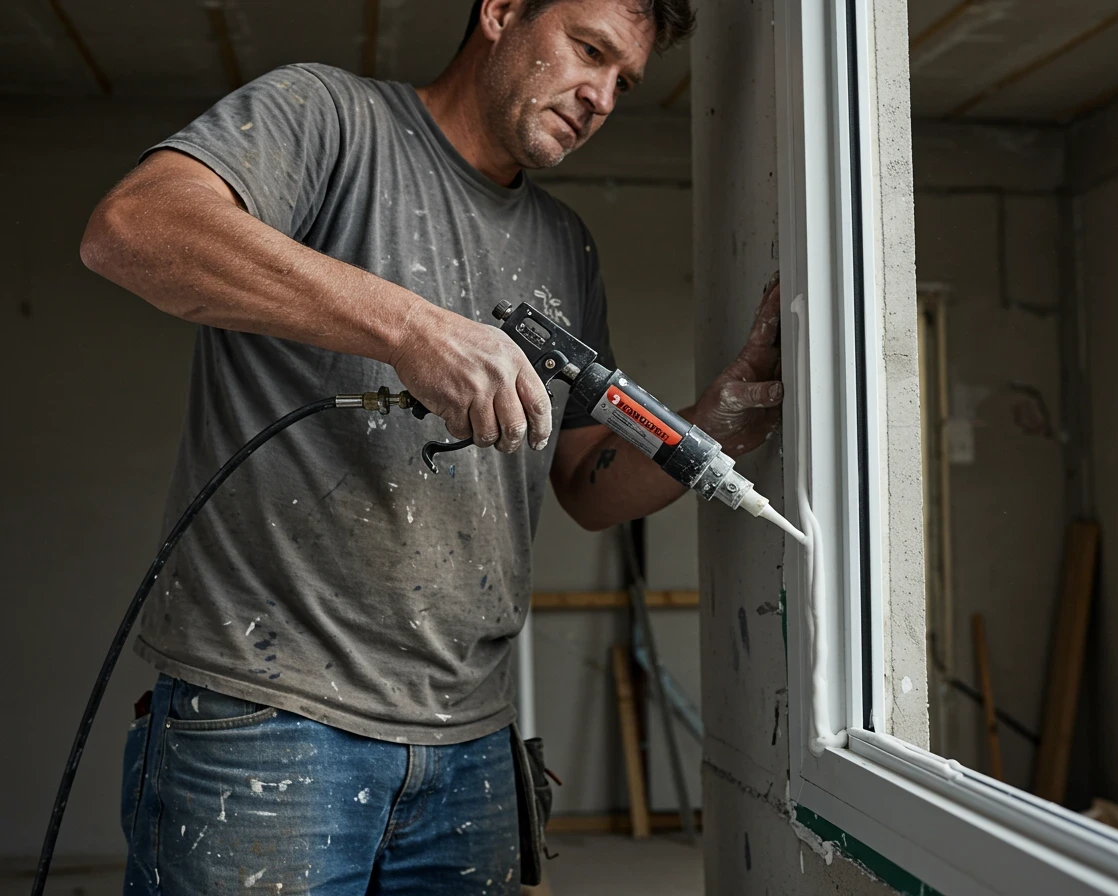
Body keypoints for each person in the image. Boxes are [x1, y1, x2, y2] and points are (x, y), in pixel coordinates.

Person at [80, 0, 782, 892]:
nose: (601, 96)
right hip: (269, 716)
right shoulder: (328, 119)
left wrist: (712, 425)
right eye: (588, 49)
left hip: (470, 743)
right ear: (502, 11)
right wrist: (410, 328)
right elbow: (134, 230)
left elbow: (587, 480)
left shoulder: (565, 245)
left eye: (624, 80)